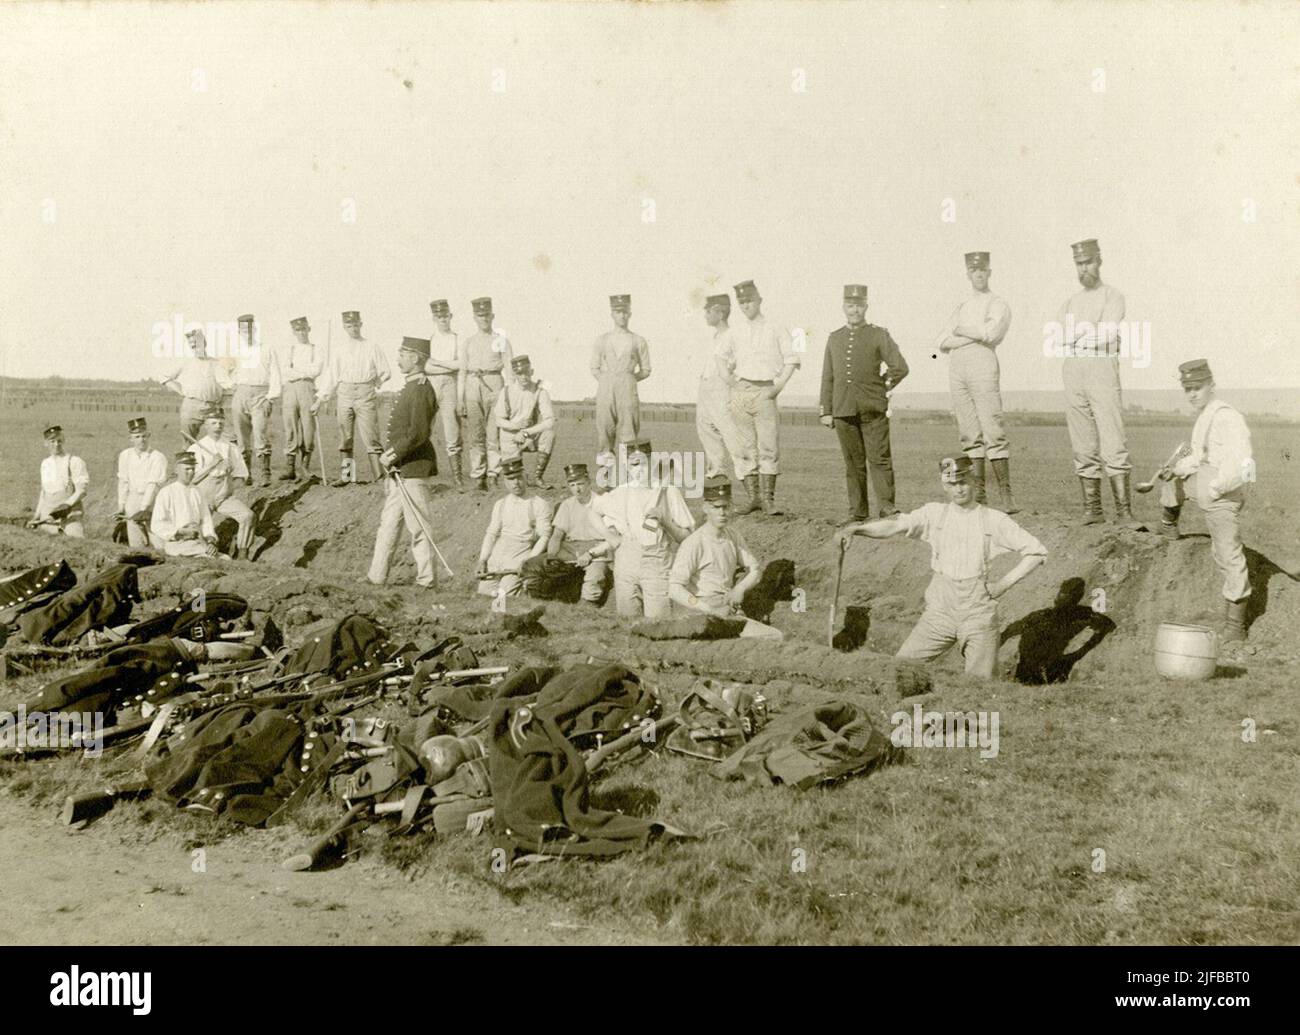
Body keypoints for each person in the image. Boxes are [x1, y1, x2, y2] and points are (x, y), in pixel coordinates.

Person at [838, 455, 1047, 679]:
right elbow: (896, 525)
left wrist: (1001, 586)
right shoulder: (934, 514)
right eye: (952, 484)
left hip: (977, 613)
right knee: (900, 669)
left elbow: (1036, 552)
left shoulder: (994, 519)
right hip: (940, 613)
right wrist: (856, 529)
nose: (959, 489)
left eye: (964, 482)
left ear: (975, 481)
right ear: (944, 486)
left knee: (980, 686)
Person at [1156, 359, 1254, 643]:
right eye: (1187, 389)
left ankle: (1235, 627)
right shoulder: (1205, 416)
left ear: (1212, 385)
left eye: (1197, 387)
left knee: (1228, 555)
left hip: (1223, 494)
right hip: (1208, 483)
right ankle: (1168, 524)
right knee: (1172, 475)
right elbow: (1199, 458)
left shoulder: (1227, 417)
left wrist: (1214, 489)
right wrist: (1177, 469)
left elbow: (1243, 466)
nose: (1192, 394)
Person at [1057, 238, 1137, 527]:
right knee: (1082, 440)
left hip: (1102, 366)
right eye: (1079, 263)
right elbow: (1059, 338)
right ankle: (1092, 509)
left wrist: (1078, 335)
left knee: (1112, 436)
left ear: (1099, 260)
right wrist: (1086, 333)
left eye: (1088, 261)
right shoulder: (1070, 302)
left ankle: (1124, 512)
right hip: (1074, 370)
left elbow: (1106, 334)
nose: (1084, 268)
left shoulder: (1113, 296)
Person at [819, 283, 910, 522]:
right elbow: (828, 376)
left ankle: (887, 508)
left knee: (879, 459)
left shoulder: (879, 334)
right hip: (843, 410)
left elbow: (899, 367)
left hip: (873, 409)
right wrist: (825, 410)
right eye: (850, 305)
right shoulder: (834, 338)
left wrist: (881, 387)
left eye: (859, 306)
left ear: (866, 307)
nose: (854, 311)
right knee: (853, 464)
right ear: (843, 307)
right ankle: (858, 512)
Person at [935, 252, 1016, 511]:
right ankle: (979, 494)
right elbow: (941, 341)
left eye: (982, 270)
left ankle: (1006, 494)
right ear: (968, 274)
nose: (978, 274)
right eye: (973, 270)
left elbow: (991, 334)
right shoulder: (961, 304)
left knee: (993, 427)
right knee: (969, 432)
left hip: (983, 363)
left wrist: (961, 331)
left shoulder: (997, 303)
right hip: (958, 366)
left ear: (989, 272)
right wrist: (971, 334)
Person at [718, 279, 799, 515]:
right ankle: (753, 498)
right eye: (742, 302)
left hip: (765, 390)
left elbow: (792, 359)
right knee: (745, 448)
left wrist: (777, 387)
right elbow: (720, 358)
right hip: (741, 392)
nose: (746, 306)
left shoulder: (775, 327)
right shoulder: (735, 331)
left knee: (768, 446)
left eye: (750, 301)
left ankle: (768, 499)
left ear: (759, 300)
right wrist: (732, 383)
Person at [367, 337, 440, 588]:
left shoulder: (420, 388)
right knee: (388, 525)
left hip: (414, 468)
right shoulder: (411, 386)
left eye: (403, 353)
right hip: (401, 470)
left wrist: (392, 454)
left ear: (416, 358)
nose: (398, 358)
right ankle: (376, 577)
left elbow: (419, 432)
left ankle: (427, 581)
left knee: (419, 527)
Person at [592, 440, 695, 619]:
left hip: (656, 562)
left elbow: (688, 539)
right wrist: (611, 536)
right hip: (626, 560)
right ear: (627, 466)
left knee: (658, 622)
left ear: (652, 461)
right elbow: (592, 513)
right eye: (633, 465)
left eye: (643, 463)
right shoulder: (621, 492)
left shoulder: (668, 492)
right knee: (627, 621)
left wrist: (666, 521)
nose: (638, 470)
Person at [314, 310, 391, 485]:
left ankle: (379, 477)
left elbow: (386, 371)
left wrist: (375, 382)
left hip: (365, 393)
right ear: (344, 327)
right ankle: (347, 476)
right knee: (345, 436)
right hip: (345, 393)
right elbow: (331, 376)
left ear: (361, 325)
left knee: (371, 435)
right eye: (349, 326)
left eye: (355, 325)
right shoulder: (340, 349)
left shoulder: (372, 346)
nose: (353, 329)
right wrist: (319, 400)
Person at [669, 480, 762, 617]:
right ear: (705, 508)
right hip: (701, 606)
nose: (722, 513)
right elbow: (674, 589)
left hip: (726, 602)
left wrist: (740, 589)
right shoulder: (694, 543)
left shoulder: (732, 536)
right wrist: (708, 609)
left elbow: (755, 569)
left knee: (768, 634)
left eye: (725, 507)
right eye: (716, 507)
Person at [476, 457, 553, 598]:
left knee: (505, 596)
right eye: (511, 479)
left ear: (526, 477)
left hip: (519, 555)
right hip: (497, 557)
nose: (516, 483)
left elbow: (544, 536)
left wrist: (528, 562)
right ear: (505, 482)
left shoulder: (538, 504)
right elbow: (491, 534)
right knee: (484, 595)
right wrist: (483, 559)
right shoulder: (501, 504)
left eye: (519, 478)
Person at [188, 407, 257, 560]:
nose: (217, 426)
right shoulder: (195, 448)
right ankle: (203, 553)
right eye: (213, 423)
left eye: (220, 423)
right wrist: (212, 465)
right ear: (206, 425)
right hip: (202, 495)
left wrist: (230, 475)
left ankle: (243, 554)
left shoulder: (231, 448)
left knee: (248, 516)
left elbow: (241, 475)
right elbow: (191, 480)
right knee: (198, 526)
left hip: (224, 494)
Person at [590, 294, 651, 461]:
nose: (622, 316)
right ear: (612, 314)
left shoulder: (638, 340)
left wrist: (628, 379)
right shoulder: (602, 340)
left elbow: (646, 370)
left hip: (628, 389)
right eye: (618, 312)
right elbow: (594, 368)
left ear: (630, 314)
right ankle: (606, 481)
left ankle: (629, 480)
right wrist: (607, 380)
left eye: (625, 312)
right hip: (605, 389)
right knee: (604, 431)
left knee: (629, 432)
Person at [460, 296, 512, 491]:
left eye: (487, 315)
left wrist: (510, 396)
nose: (484, 319)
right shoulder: (468, 343)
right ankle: (478, 475)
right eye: (480, 315)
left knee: (493, 433)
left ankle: (493, 474)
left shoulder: (500, 341)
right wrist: (460, 399)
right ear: (474, 317)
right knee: (475, 434)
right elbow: (462, 372)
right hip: (473, 384)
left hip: (494, 383)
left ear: (493, 316)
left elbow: (509, 369)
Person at [546, 463, 617, 604]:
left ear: (589, 481)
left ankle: (586, 610)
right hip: (572, 550)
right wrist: (551, 557)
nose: (577, 489)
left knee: (594, 578)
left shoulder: (602, 503)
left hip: (598, 552)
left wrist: (591, 554)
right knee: (536, 568)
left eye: (580, 484)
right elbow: (556, 536)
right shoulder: (567, 505)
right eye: (572, 485)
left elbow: (612, 539)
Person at [229, 313, 281, 487]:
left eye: (250, 329)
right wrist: (232, 385)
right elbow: (225, 371)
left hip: (261, 394)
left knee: (260, 434)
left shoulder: (267, 348)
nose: (247, 333)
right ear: (239, 332)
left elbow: (275, 374)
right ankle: (246, 474)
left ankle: (265, 474)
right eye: (243, 330)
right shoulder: (235, 351)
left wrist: (271, 398)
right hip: (241, 393)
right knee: (241, 438)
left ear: (255, 329)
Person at [696, 293, 741, 481]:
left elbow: (735, 365)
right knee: (705, 429)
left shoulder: (732, 336)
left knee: (729, 432)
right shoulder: (715, 336)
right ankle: (717, 473)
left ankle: (746, 473)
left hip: (722, 388)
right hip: (706, 388)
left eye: (709, 311)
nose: (705, 315)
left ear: (720, 313)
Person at [494, 354, 556, 486]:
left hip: (530, 435)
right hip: (510, 436)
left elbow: (550, 420)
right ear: (514, 375)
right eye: (519, 373)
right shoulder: (506, 392)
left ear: (531, 372)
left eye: (526, 373)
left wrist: (526, 432)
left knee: (549, 434)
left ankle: (537, 477)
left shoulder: (540, 391)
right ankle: (519, 475)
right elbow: (498, 420)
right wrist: (515, 426)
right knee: (514, 477)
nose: (523, 377)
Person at [159, 328, 230, 440]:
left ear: (204, 343)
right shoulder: (186, 362)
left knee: (223, 440)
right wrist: (180, 390)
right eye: (192, 346)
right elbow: (164, 377)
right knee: (188, 441)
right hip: (191, 407)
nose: (196, 348)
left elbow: (227, 386)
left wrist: (221, 401)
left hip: (212, 407)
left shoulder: (216, 363)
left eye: (198, 344)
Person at [426, 299, 466, 489]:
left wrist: (438, 363)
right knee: (424, 428)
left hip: (451, 383)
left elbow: (460, 364)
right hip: (431, 384)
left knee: (452, 430)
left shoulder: (457, 339)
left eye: (446, 316)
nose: (443, 319)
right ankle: (424, 471)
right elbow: (425, 366)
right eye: (439, 316)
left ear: (451, 316)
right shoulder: (430, 339)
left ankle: (457, 476)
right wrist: (446, 364)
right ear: (434, 318)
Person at [151, 452, 220, 558]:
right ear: (176, 470)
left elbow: (206, 520)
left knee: (224, 558)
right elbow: (157, 524)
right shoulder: (166, 492)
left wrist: (210, 541)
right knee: (211, 558)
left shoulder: (197, 491)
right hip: (177, 543)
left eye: (193, 469)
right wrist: (180, 532)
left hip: (198, 541)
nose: (191, 472)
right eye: (187, 469)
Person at [279, 316, 324, 480]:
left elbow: (316, 369)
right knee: (290, 426)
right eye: (298, 330)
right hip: (290, 388)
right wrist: (302, 372)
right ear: (293, 332)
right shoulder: (289, 349)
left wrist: (298, 372)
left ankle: (304, 466)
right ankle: (290, 467)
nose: (301, 333)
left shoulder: (316, 349)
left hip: (308, 388)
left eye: (304, 329)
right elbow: (285, 370)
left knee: (308, 427)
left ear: (308, 329)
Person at [115, 416, 168, 548]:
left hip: (153, 501)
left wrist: (144, 509)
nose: (141, 440)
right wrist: (121, 505)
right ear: (131, 439)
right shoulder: (125, 455)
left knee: (157, 538)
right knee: (136, 540)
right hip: (132, 499)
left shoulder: (157, 457)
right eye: (137, 437)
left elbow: (153, 485)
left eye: (144, 436)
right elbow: (123, 481)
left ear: (148, 436)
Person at [29, 425, 89, 537]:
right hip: (48, 517)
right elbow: (44, 493)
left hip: (70, 516)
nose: (56, 444)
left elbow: (82, 491)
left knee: (76, 547)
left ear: (64, 441)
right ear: (45, 443)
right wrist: (36, 517)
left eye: (59, 441)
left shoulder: (75, 461)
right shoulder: (45, 464)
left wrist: (66, 505)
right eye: (52, 441)